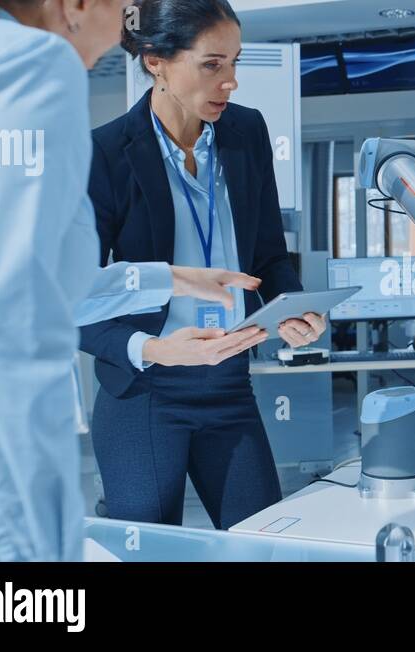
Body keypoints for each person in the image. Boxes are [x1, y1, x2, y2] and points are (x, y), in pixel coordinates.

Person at [0, 0, 262, 561]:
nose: (132, 25)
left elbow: (25, 275)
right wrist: (35, 552)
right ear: (77, 6)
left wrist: (170, 279)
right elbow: (3, 311)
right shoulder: (30, 61)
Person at [80, 0, 325, 530]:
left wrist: (290, 307)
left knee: (262, 542)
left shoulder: (247, 134)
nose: (231, 81)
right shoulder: (105, 154)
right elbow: (75, 296)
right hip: (145, 392)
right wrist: (152, 348)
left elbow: (267, 254)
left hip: (231, 386)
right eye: (212, 64)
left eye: (235, 62)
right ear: (156, 61)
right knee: (150, 546)